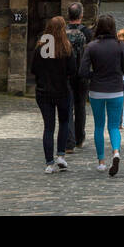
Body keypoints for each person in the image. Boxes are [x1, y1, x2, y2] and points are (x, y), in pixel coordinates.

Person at [80, 13, 124, 176]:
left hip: (97, 90)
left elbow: (82, 71)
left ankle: (101, 162)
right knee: (113, 126)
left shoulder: (91, 46)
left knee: (98, 126)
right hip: (115, 90)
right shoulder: (120, 46)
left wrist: (95, 75)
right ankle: (116, 152)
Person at [31, 15, 76, 173]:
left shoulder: (41, 47)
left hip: (43, 92)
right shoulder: (66, 47)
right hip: (62, 91)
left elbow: (33, 69)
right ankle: (61, 155)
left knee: (48, 127)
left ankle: (49, 163)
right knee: (63, 123)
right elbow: (72, 70)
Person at [65, 3, 94, 153]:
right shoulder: (87, 33)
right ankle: (79, 138)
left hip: (66, 75)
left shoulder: (63, 32)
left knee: (67, 107)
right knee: (80, 106)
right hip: (82, 75)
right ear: (81, 15)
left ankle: (68, 141)